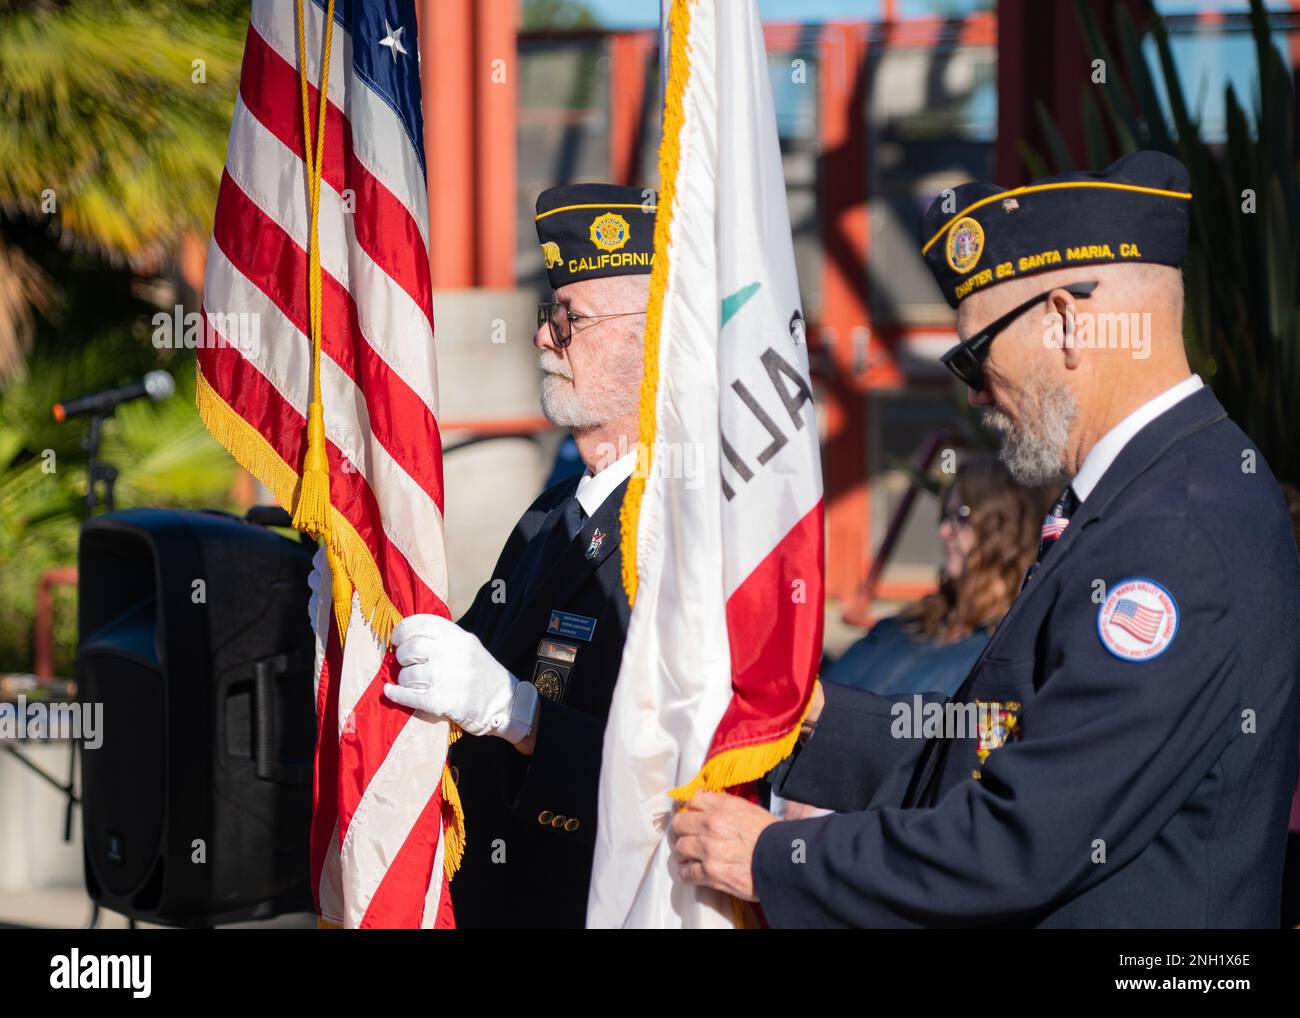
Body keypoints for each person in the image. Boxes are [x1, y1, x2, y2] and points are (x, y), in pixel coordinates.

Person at [670, 151, 1300, 927]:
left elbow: (1024, 836)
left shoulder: (1174, 530)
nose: (972, 393)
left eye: (975, 354)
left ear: (1068, 320)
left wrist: (773, 859)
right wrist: (810, 719)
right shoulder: (1151, 491)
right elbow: (990, 743)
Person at [312, 183, 654, 928]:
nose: (544, 339)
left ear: (653, 337)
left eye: (571, 319)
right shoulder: (552, 511)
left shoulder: (677, 528)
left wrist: (519, 712)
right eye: (546, 315)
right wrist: (363, 617)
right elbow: (464, 663)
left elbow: (672, 775)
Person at [824, 455, 1051, 697]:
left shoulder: (1008, 655)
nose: (943, 531)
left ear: (1008, 525)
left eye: (960, 516)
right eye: (945, 516)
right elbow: (826, 693)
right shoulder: (904, 627)